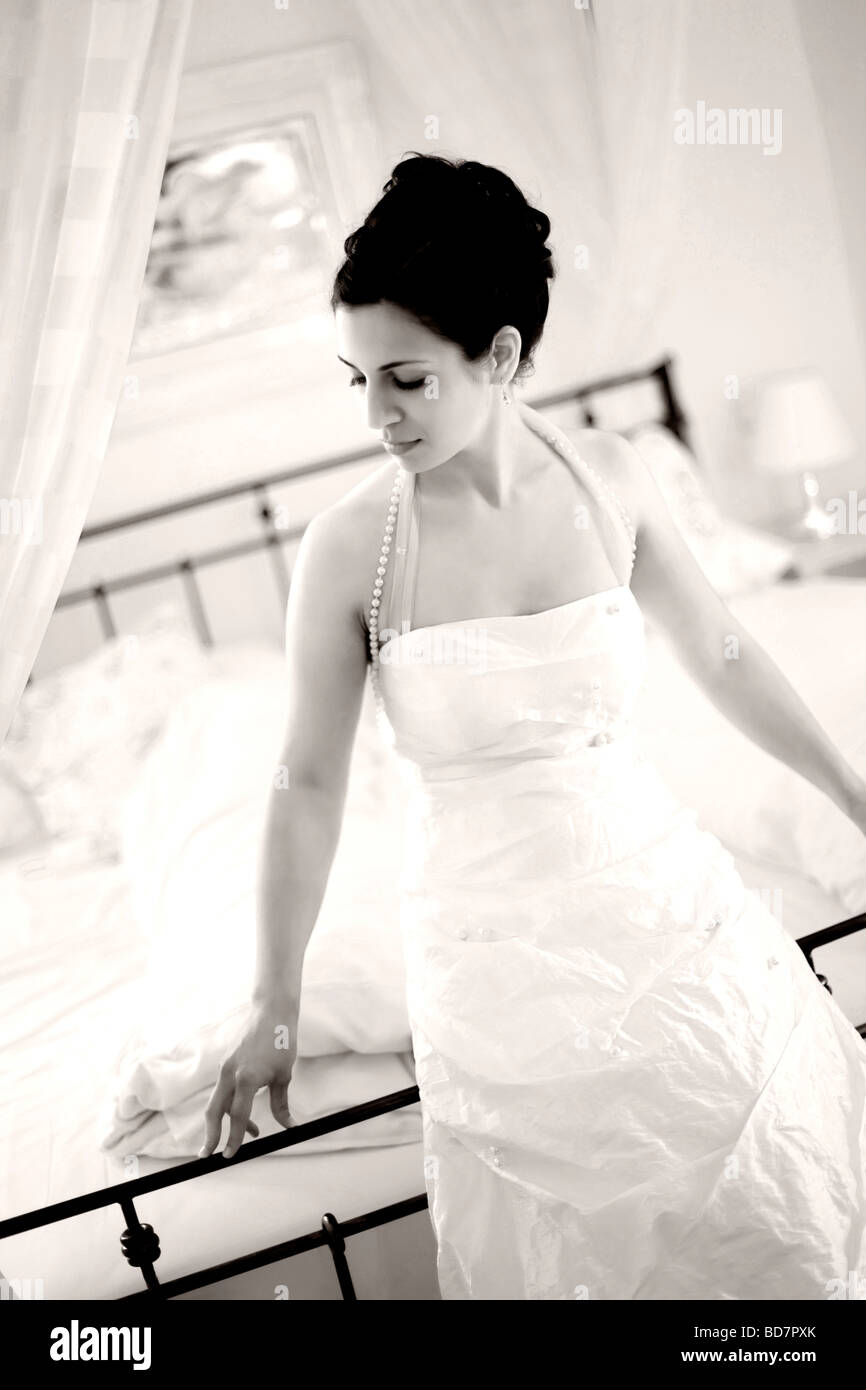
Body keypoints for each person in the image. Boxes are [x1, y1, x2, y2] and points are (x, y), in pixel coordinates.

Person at [200, 152, 866, 1300]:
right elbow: (305, 781)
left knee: (767, 1207)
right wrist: (275, 994)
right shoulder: (350, 548)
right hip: (490, 953)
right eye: (353, 379)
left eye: (405, 379)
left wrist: (856, 794)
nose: (374, 416)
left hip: (660, 903)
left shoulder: (610, 478)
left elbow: (720, 649)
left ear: (499, 354)